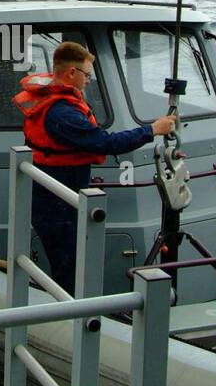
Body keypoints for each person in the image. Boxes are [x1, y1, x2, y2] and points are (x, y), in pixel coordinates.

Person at [13, 40, 176, 292]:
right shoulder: (63, 114)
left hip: (54, 195)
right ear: (71, 73)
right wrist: (153, 130)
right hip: (58, 204)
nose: (89, 80)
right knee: (69, 266)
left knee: (70, 261)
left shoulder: (53, 101)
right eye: (87, 75)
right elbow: (104, 143)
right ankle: (72, 315)